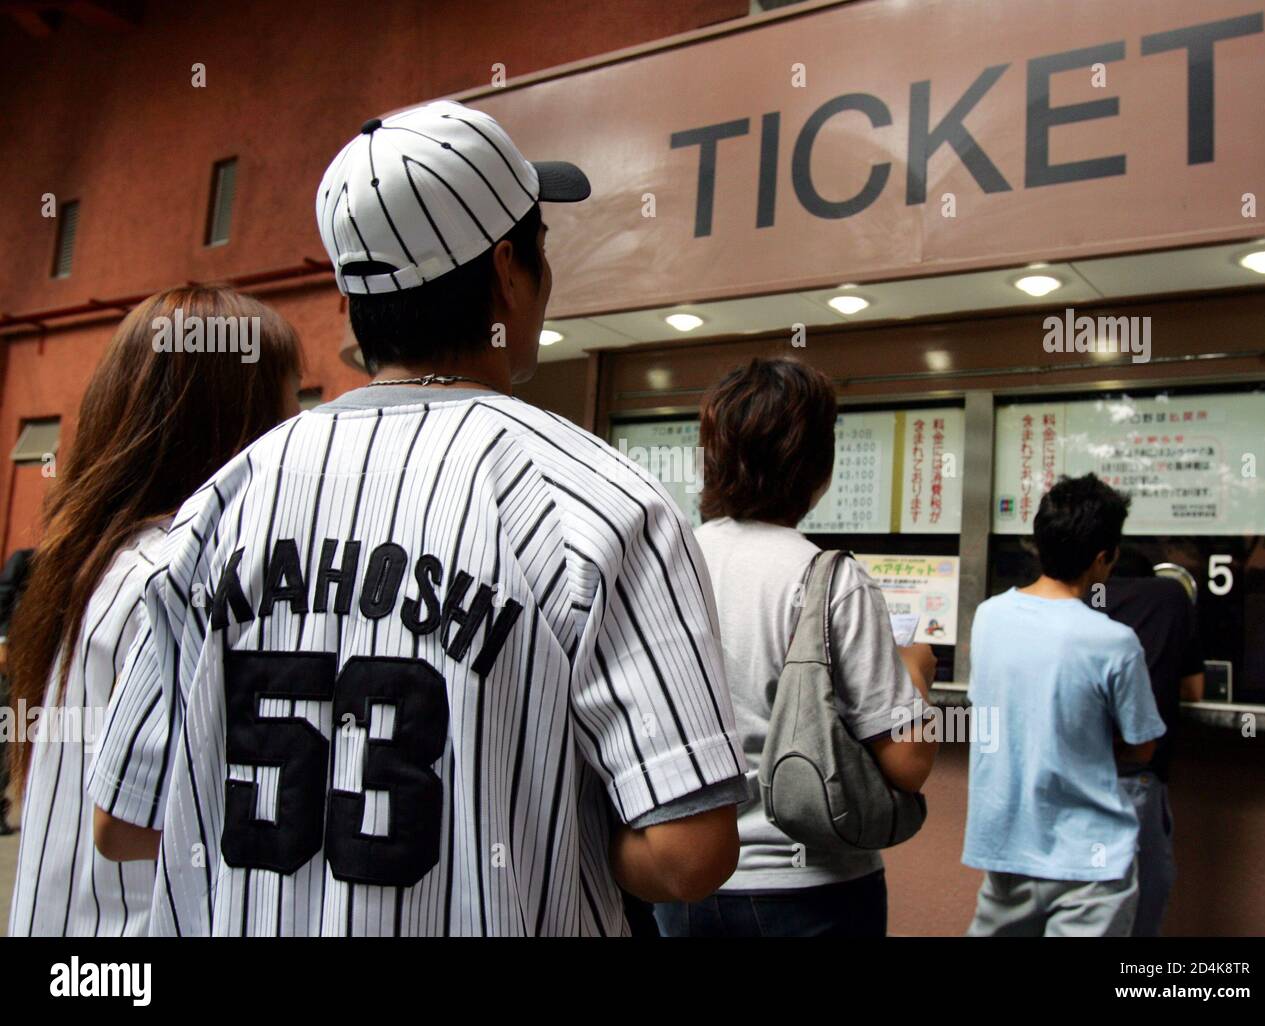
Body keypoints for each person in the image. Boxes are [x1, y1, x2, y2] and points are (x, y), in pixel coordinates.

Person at [89, 99, 749, 936]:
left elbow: (124, 824)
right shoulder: (597, 501)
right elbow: (688, 855)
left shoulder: (221, 500)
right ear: (508, 270)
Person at [6, 286, 302, 936]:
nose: (298, 429)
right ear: (233, 418)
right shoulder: (176, 578)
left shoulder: (92, 558)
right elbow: (130, 821)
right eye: (291, 400)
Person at [653, 357, 937, 938]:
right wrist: (917, 675)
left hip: (680, 878)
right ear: (820, 467)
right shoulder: (829, 579)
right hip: (807, 890)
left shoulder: (667, 565)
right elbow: (908, 764)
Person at [963, 474, 1166, 937]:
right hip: (1092, 863)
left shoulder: (990, 616)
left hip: (1007, 852)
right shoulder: (1114, 642)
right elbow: (1143, 747)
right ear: (1103, 558)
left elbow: (993, 713)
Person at [1100, 548, 1204, 936]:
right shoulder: (1170, 598)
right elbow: (1193, 689)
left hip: (1065, 772)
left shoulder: (1070, 601)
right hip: (1134, 773)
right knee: (1138, 900)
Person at [0, 547, 34, 836]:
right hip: (10, 662)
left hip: (33, 666)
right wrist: (1, 639)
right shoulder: (25, 560)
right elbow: (3, 595)